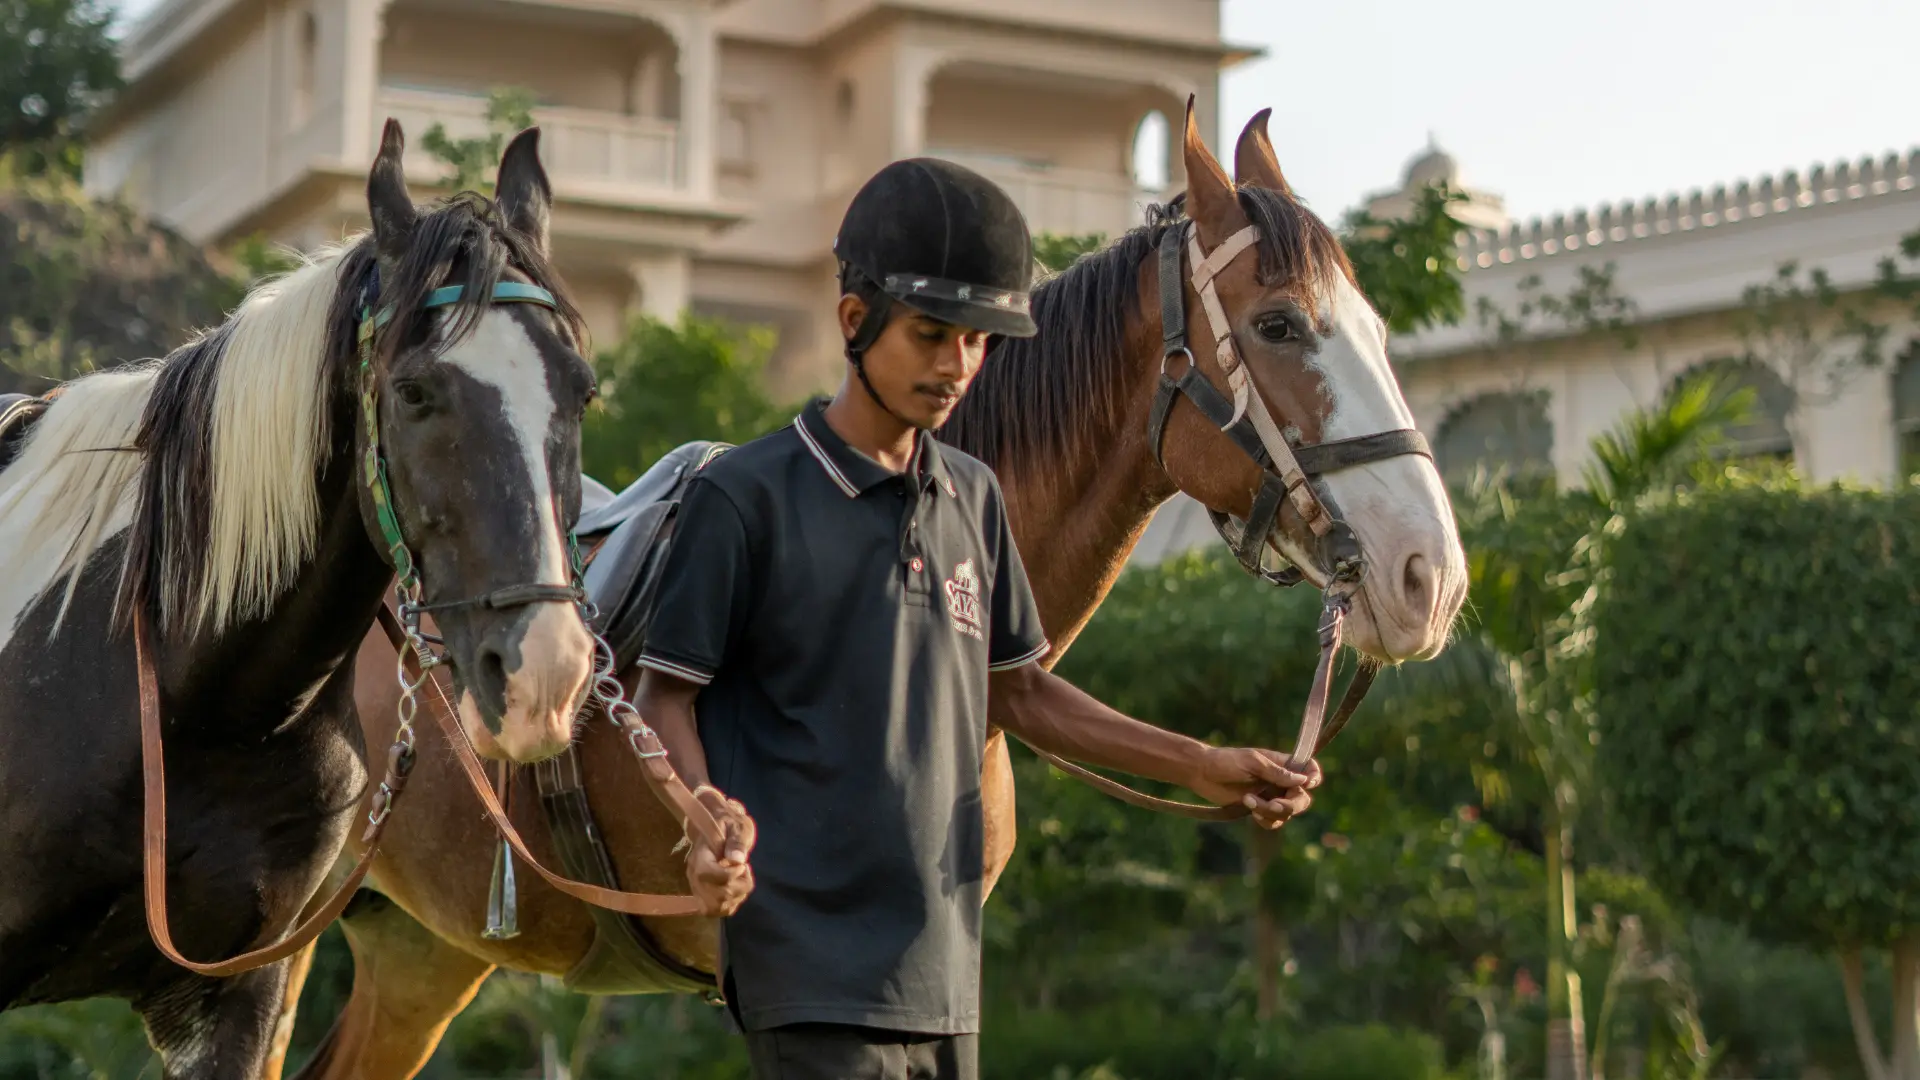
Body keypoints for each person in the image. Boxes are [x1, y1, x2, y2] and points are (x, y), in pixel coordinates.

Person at [633, 158, 1321, 1080]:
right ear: (854, 323)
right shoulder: (743, 497)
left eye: (980, 341)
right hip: (807, 968)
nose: (957, 365)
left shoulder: (972, 497)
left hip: (945, 968)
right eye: (931, 335)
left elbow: (1024, 695)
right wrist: (697, 814)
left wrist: (1204, 766)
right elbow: (662, 694)